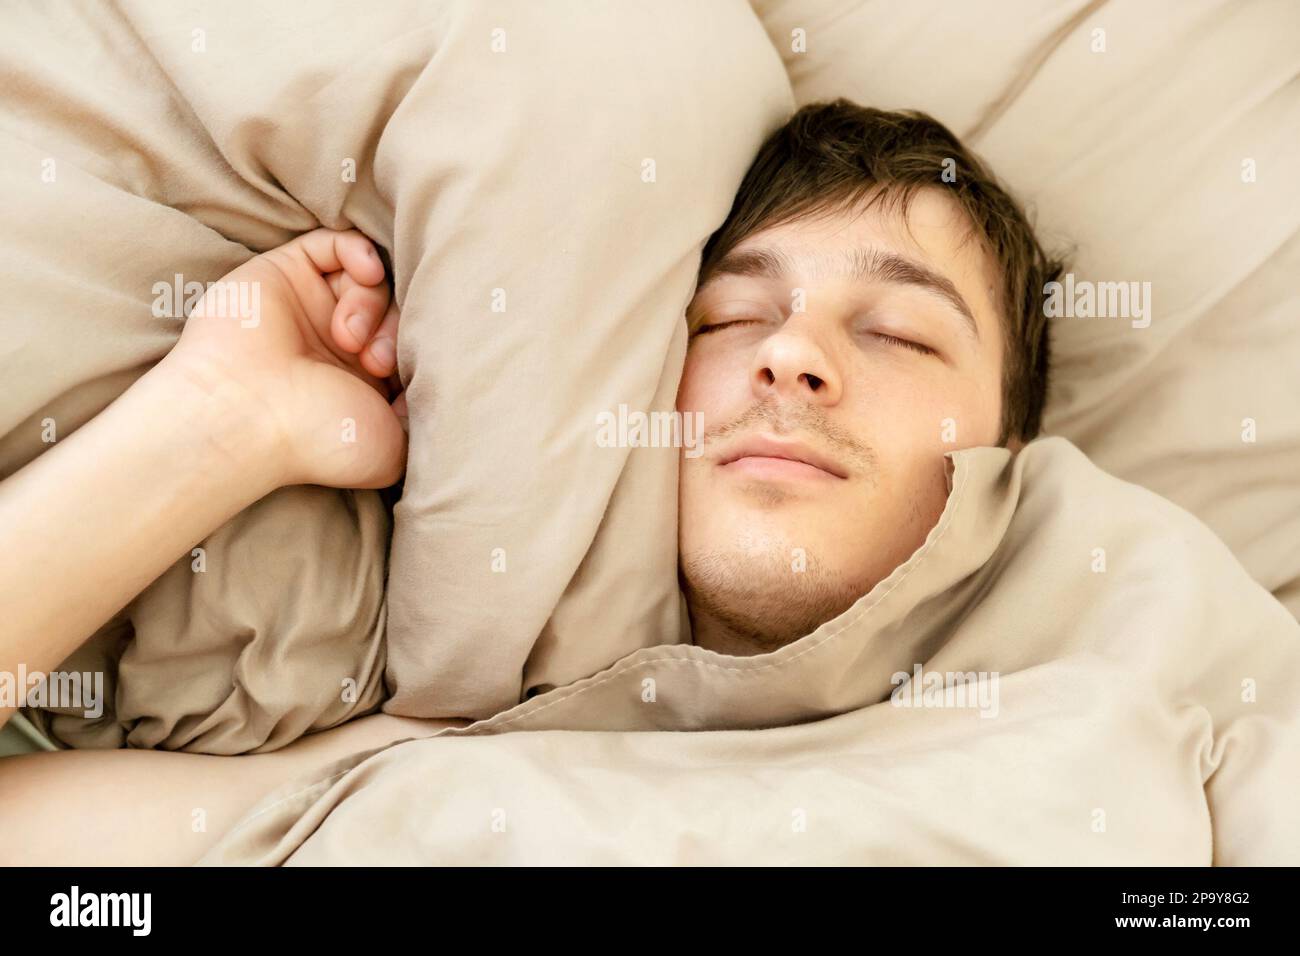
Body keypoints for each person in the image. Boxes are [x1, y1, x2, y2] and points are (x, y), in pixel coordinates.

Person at [0, 101, 1063, 864]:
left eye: (898, 334)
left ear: (1008, 453)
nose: (790, 356)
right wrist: (221, 425)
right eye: (732, 317)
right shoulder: (461, 750)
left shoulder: (1110, 687)